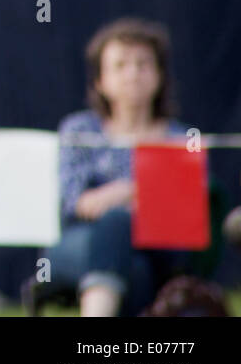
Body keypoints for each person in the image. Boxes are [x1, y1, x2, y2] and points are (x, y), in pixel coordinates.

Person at [47, 17, 195, 317]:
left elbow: (187, 212)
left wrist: (120, 192)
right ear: (100, 80)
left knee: (121, 232)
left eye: (143, 64)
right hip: (83, 241)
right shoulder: (80, 130)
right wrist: (142, 194)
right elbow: (76, 202)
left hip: (161, 249)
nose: (133, 74)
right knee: (130, 259)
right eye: (120, 65)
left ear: (159, 75)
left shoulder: (182, 138)